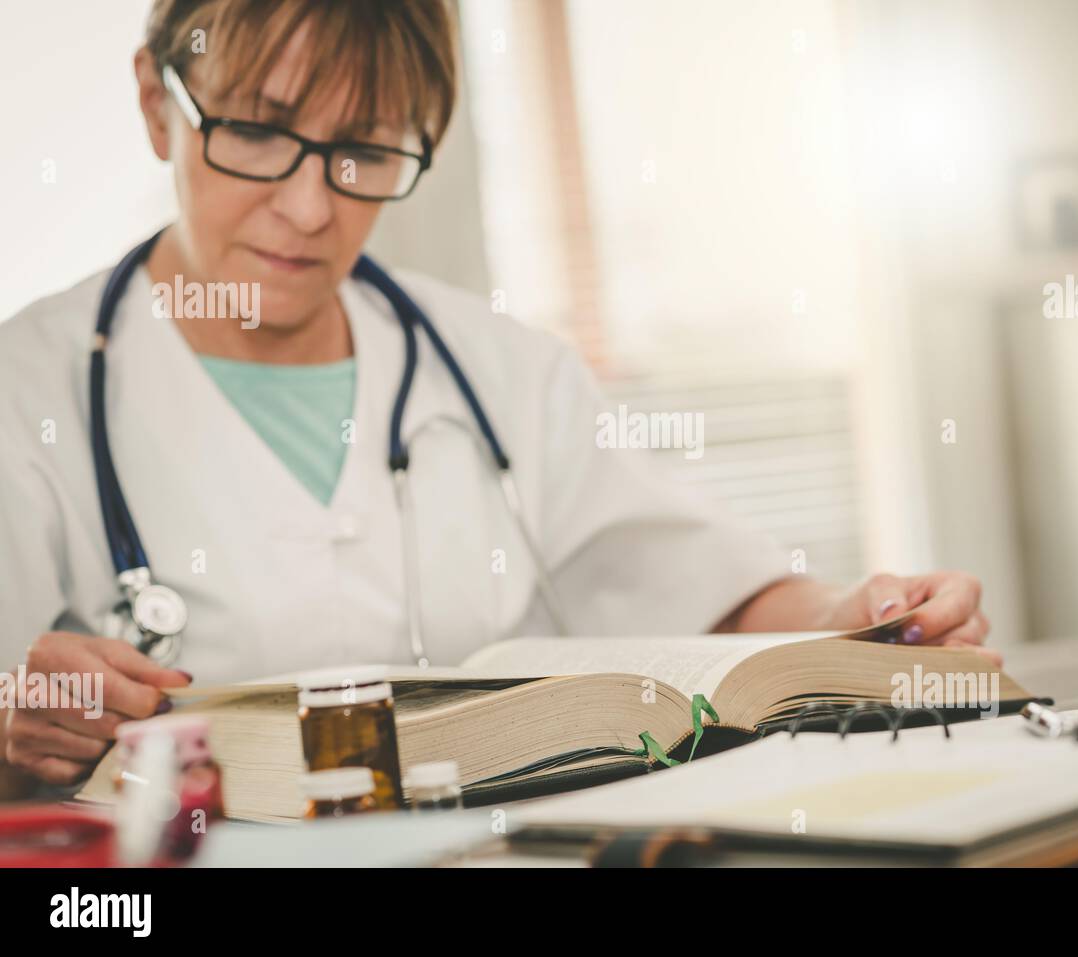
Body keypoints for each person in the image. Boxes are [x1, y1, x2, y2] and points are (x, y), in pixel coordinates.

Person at [0, 0, 993, 792]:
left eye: (365, 148)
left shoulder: (506, 368)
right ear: (153, 101)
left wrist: (857, 617)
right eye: (258, 132)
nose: (310, 208)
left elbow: (704, 595)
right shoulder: (23, 389)